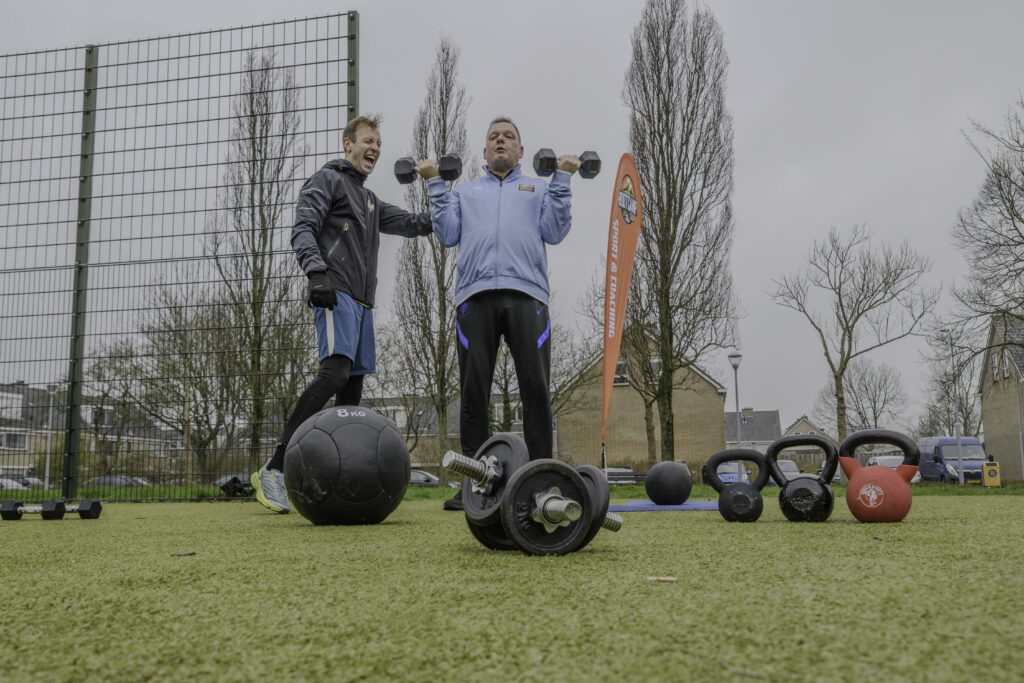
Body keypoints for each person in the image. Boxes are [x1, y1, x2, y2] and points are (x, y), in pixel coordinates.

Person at [251, 115, 433, 513]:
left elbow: (412, 223)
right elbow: (302, 228)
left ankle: (341, 477)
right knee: (333, 373)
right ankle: (275, 468)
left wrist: (448, 208)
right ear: (347, 144)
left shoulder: (369, 200)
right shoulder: (327, 180)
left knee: (351, 390)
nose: (376, 148)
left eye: (379, 142)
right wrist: (317, 274)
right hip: (336, 292)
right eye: (369, 140)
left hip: (364, 304)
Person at [422, 117, 580, 510]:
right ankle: (475, 485)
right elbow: (446, 235)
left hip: (527, 296)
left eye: (508, 137)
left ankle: (544, 481)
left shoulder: (538, 188)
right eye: (493, 137)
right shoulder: (466, 192)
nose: (500, 141)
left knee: (536, 388)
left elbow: (556, 231)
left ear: (521, 151)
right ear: (485, 150)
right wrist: (434, 186)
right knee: (474, 391)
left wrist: (562, 179)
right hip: (474, 297)